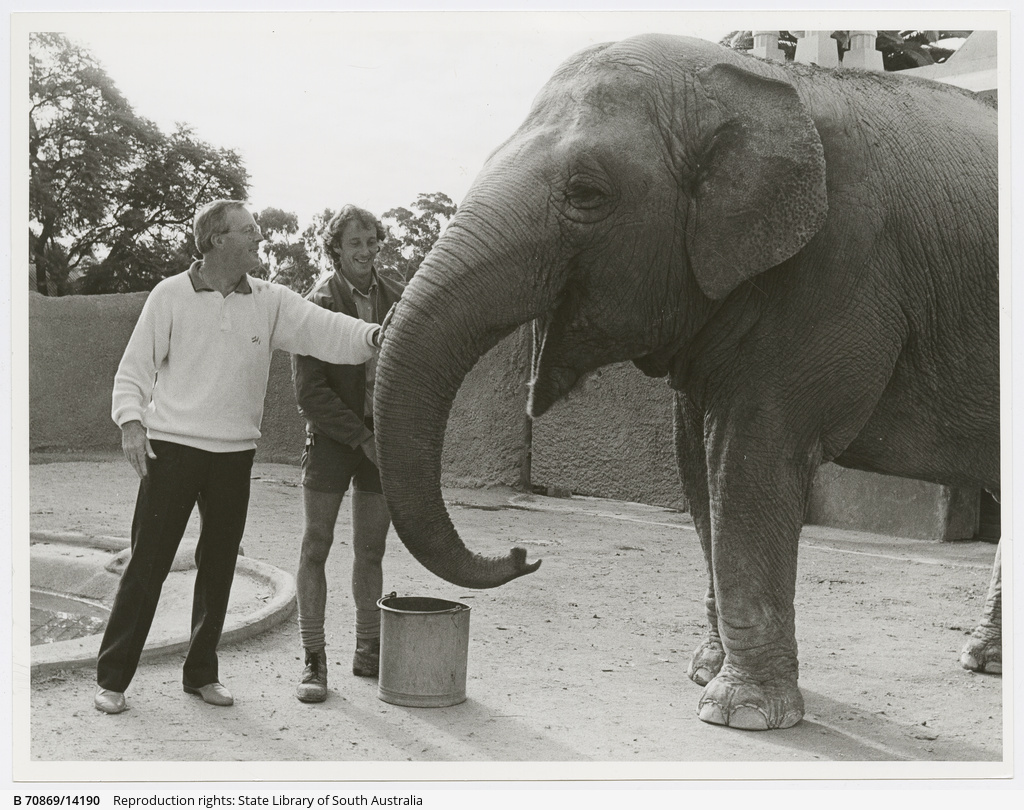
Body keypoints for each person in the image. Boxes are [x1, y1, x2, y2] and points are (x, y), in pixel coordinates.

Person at [94, 199, 384, 715]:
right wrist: (131, 423)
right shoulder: (170, 295)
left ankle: (202, 674)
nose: (258, 239)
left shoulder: (270, 301)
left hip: (233, 456)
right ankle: (113, 679)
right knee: (148, 565)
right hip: (173, 450)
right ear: (216, 241)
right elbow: (133, 368)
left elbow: (325, 329)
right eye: (248, 231)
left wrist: (374, 336)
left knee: (220, 565)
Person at [291, 205, 405, 703]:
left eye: (371, 242)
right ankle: (314, 660)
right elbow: (309, 394)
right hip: (336, 441)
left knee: (372, 549)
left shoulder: (398, 298)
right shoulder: (314, 303)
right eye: (354, 243)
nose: (365, 252)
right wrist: (361, 439)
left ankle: (368, 649)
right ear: (335, 248)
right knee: (316, 545)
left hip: (381, 437)